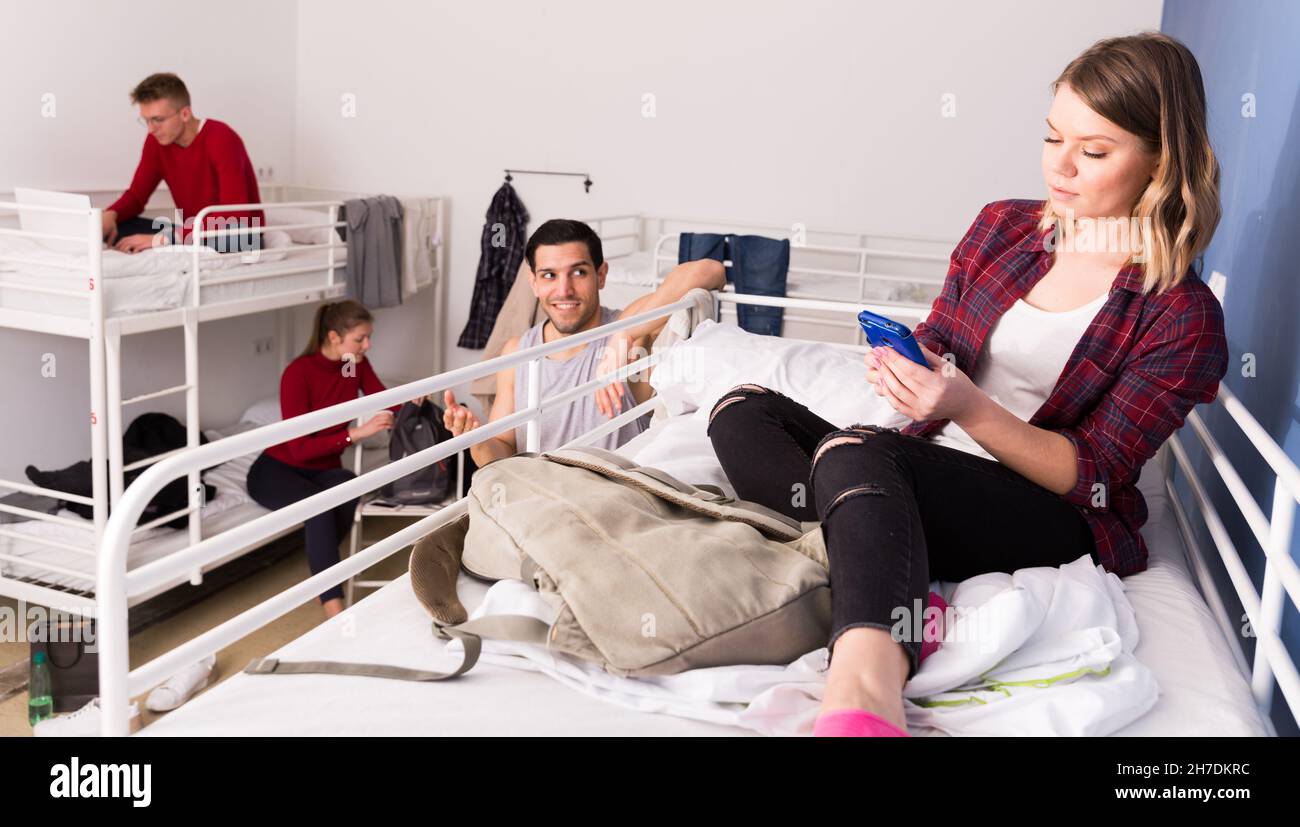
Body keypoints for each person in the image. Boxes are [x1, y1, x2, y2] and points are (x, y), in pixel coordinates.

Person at [705, 32, 1229, 737]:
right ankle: (899, 563)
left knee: (858, 453)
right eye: (1052, 139)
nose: (1061, 168)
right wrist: (916, 361)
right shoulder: (1004, 228)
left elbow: (1097, 475)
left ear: (1161, 161)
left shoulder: (1181, 315)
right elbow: (948, 335)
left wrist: (966, 406)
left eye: (1094, 151)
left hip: (1044, 506)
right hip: (920, 464)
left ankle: (865, 692)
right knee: (740, 410)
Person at [441, 219, 725, 465]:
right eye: (549, 275)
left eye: (578, 272)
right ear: (534, 283)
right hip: (539, 503)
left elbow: (710, 270)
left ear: (601, 275)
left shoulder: (629, 327)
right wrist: (473, 440)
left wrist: (622, 337)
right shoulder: (518, 351)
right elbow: (503, 453)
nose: (564, 290)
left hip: (608, 507)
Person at [246, 300, 420, 619]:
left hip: (323, 469)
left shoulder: (354, 363)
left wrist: (414, 400)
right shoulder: (298, 373)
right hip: (277, 470)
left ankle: (321, 572)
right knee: (320, 505)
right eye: (360, 339)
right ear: (334, 337)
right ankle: (334, 608)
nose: (367, 345)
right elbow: (299, 449)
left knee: (349, 488)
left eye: (369, 337)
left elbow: (385, 399)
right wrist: (356, 433)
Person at [103, 72, 264, 254]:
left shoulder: (221, 138)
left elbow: (235, 218)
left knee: (230, 235)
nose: (151, 129)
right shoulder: (156, 142)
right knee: (119, 226)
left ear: (185, 113)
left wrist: (164, 238)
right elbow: (136, 196)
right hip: (193, 234)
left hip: (239, 235)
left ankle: (171, 243)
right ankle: (171, 243)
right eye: (146, 120)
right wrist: (111, 215)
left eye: (158, 120)